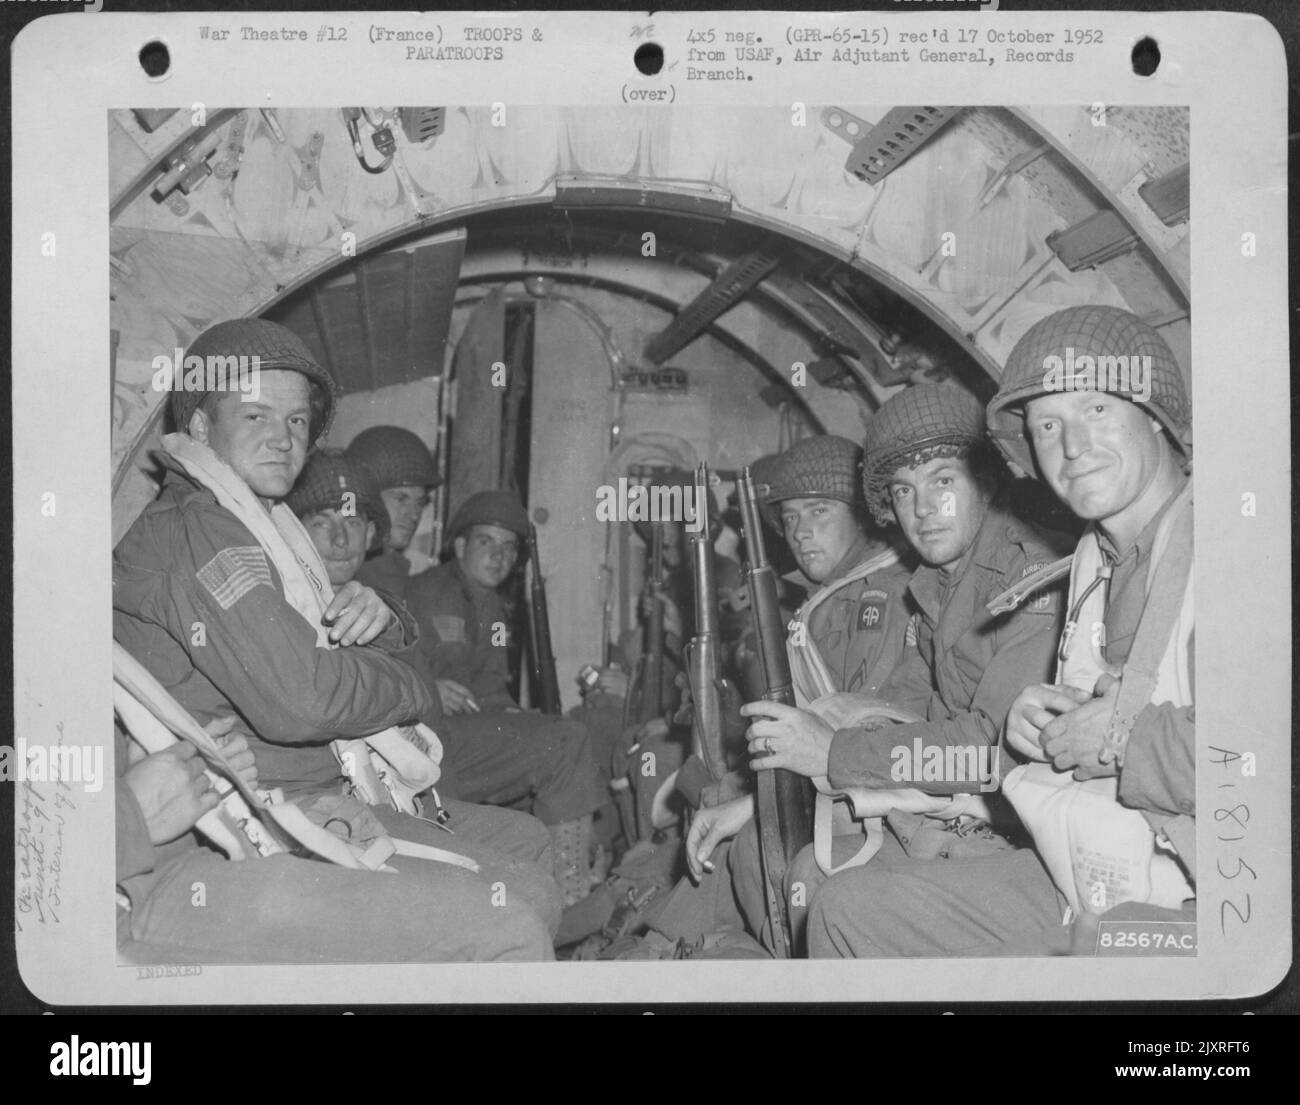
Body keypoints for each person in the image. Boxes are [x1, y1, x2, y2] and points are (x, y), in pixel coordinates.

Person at [113, 318, 561, 960]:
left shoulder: (266, 528)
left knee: (529, 880)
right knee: (517, 920)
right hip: (257, 817)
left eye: (297, 422)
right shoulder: (203, 531)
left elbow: (339, 673)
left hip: (314, 789)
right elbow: (306, 699)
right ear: (203, 428)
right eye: (257, 417)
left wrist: (391, 636)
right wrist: (411, 685)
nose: (282, 440)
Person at [807, 306, 1195, 957]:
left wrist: (1123, 735)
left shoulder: (1231, 545)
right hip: (1090, 860)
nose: (1072, 446)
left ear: (1152, 411)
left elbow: (1257, 762)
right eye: (1049, 424)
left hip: (1195, 895)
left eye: (1096, 409)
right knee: (843, 907)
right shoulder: (1094, 560)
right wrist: (1037, 724)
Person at [726, 385, 1072, 951]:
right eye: (904, 491)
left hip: (1025, 832)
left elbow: (986, 751)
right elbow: (904, 703)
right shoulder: (937, 582)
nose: (923, 508)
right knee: (804, 875)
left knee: (834, 899)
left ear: (984, 482)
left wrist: (833, 754)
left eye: (943, 480)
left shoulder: (1028, 578)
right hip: (960, 809)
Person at [644, 435, 915, 955]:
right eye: (789, 517)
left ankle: (696, 947)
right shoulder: (824, 598)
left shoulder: (878, 596)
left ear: (862, 515)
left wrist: (752, 800)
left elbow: (861, 728)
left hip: (867, 794)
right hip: (826, 782)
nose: (801, 531)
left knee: (738, 828)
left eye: (819, 511)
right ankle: (675, 942)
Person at [405, 490, 607, 904]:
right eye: (486, 542)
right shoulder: (429, 592)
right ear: (459, 546)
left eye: (509, 547)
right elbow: (389, 664)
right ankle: (569, 894)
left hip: (461, 734)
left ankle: (564, 881)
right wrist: (428, 687)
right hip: (425, 736)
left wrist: (520, 716)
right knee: (564, 742)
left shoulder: (492, 607)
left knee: (567, 731)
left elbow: (491, 689)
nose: (499, 556)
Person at [346, 425, 441, 600]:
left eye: (420, 503)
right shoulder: (346, 571)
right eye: (400, 499)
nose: (413, 515)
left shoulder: (394, 569)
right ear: (365, 496)